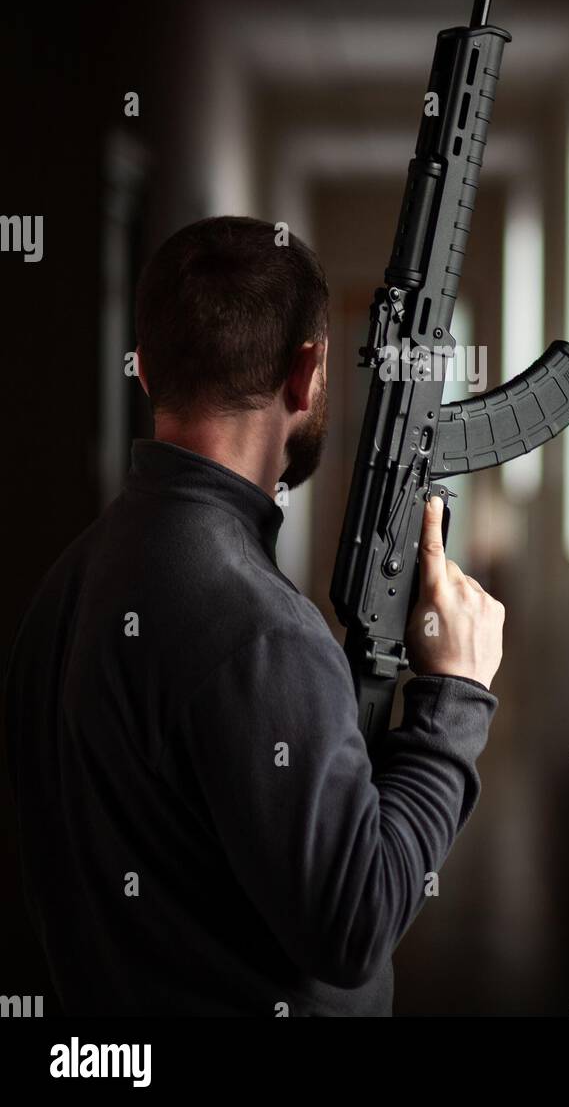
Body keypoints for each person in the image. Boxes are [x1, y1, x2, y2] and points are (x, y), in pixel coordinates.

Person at [4, 215, 504, 1017]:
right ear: (306, 373)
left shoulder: (62, 590)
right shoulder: (261, 630)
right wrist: (456, 698)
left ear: (147, 372)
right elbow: (355, 923)